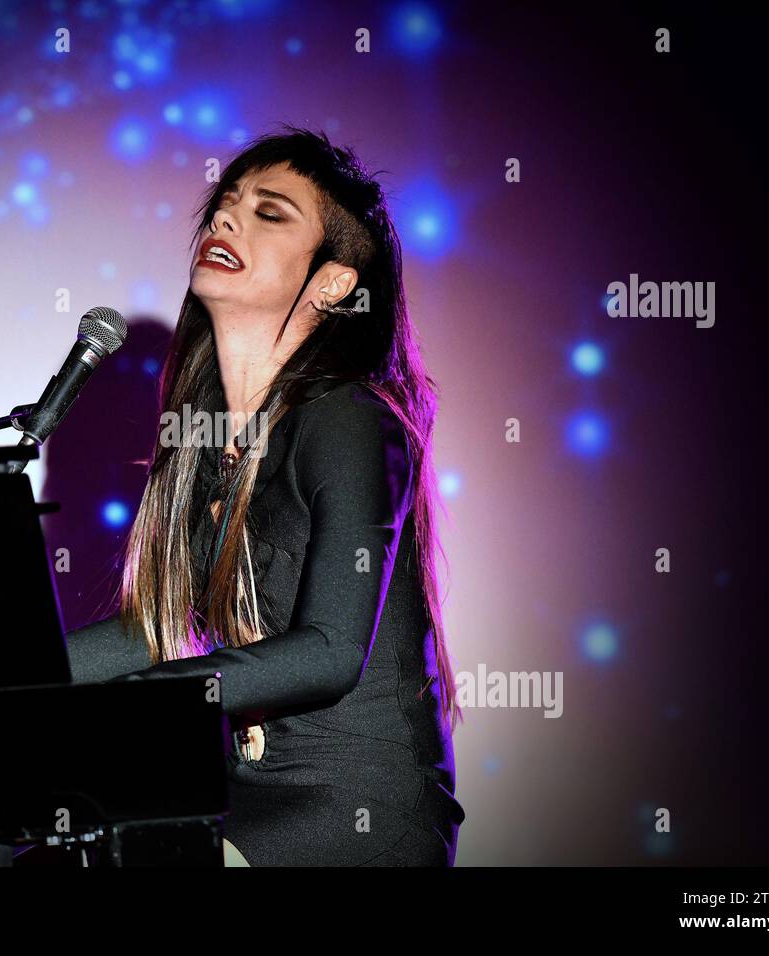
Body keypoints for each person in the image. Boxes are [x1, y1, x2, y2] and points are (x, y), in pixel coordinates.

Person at [66, 125, 465, 866]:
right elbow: (156, 627)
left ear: (333, 281)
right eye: (227, 201)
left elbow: (330, 652)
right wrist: (5, 680)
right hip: (243, 795)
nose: (224, 217)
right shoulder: (205, 437)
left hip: (354, 811)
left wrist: (149, 697)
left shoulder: (349, 416)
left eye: (269, 212)